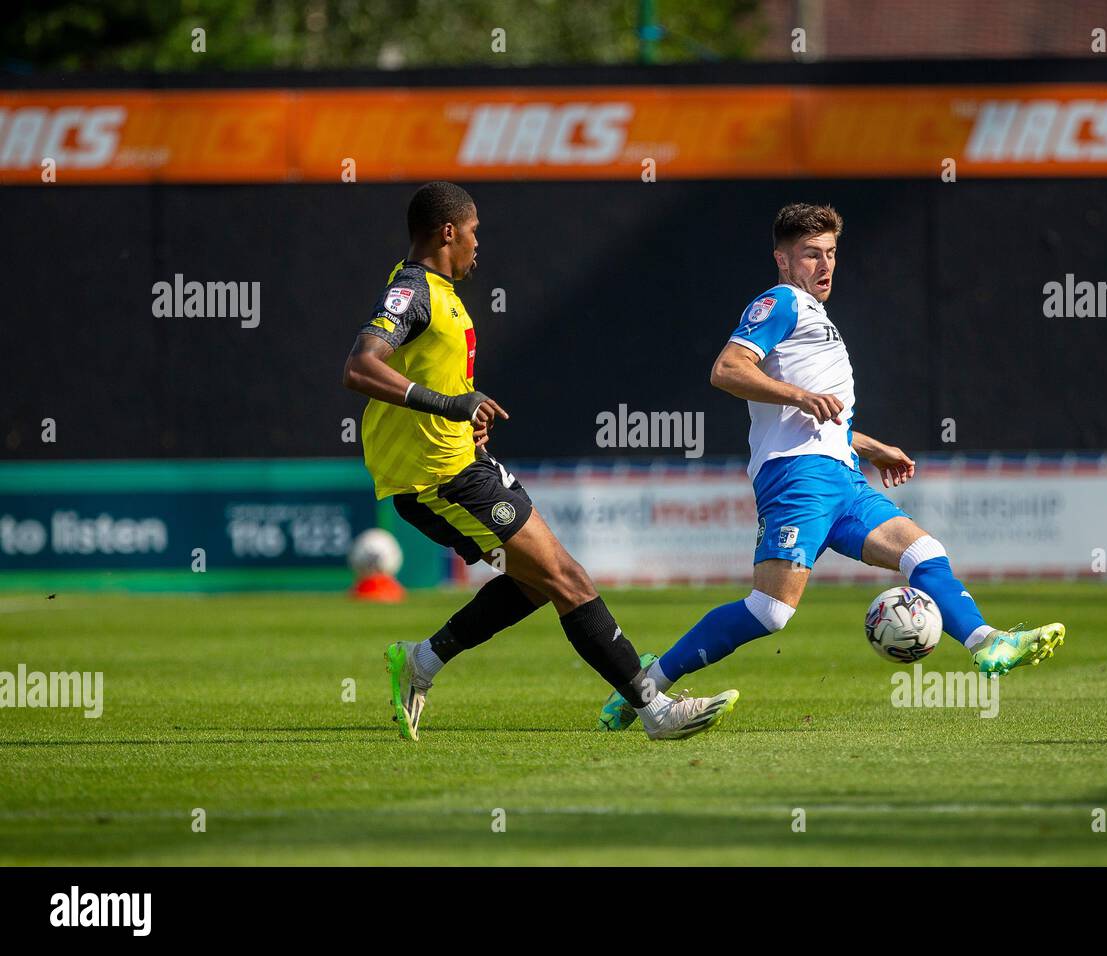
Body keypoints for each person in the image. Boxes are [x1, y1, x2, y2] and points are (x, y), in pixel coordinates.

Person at [598, 202, 1063, 731]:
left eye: (831, 254)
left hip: (842, 475)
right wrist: (798, 394)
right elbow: (726, 369)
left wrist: (870, 446)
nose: (824, 265)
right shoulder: (780, 302)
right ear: (782, 259)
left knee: (922, 551)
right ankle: (645, 684)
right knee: (771, 612)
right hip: (798, 477)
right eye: (810, 254)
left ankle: (987, 643)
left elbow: (821, 417)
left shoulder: (820, 319)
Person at [343, 181, 738, 741]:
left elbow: (435, 378)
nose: (480, 243)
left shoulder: (443, 293)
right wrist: (450, 404)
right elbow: (359, 366)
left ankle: (421, 663)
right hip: (435, 479)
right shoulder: (412, 291)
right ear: (449, 231)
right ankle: (656, 711)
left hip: (462, 463)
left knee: (538, 583)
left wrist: (465, 416)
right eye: (475, 231)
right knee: (567, 578)